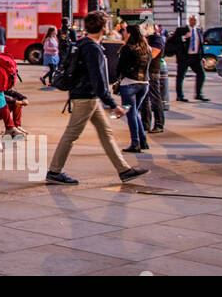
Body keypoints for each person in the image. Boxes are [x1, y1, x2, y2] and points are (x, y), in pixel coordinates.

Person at [44, 11, 149, 186]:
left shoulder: (83, 44)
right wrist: (113, 104)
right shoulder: (92, 49)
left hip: (87, 96)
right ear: (102, 27)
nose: (108, 27)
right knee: (71, 134)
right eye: (106, 24)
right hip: (86, 97)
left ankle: (124, 170)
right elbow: (98, 80)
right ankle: (54, 171)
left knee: (105, 133)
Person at [114, 25, 153, 153]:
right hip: (144, 83)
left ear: (129, 34)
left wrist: (118, 78)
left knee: (131, 114)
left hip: (129, 83)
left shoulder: (127, 48)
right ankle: (143, 141)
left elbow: (120, 67)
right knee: (135, 112)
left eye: (125, 32)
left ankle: (135, 143)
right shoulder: (147, 48)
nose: (124, 34)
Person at [176, 14, 208, 102]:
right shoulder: (181, 30)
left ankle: (198, 94)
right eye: (191, 20)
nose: (193, 21)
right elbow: (173, 41)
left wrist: (202, 57)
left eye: (195, 20)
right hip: (185, 57)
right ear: (188, 21)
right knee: (180, 76)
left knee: (201, 74)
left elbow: (201, 45)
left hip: (196, 57)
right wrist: (184, 37)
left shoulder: (199, 30)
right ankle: (179, 95)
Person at [144, 23, 168, 133]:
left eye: (147, 27)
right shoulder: (146, 38)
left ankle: (159, 124)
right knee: (144, 100)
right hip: (143, 72)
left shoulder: (157, 39)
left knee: (155, 98)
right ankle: (145, 123)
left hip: (153, 71)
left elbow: (151, 54)